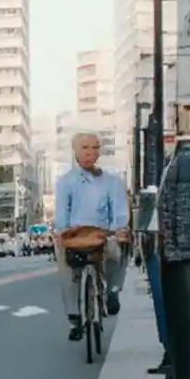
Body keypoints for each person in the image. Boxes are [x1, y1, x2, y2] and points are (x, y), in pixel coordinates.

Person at [53, 131, 128, 341]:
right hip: (75, 235)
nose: (90, 152)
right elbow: (62, 214)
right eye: (85, 148)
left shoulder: (112, 181)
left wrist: (118, 229)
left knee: (116, 250)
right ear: (75, 151)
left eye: (95, 148)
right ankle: (74, 317)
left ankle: (112, 291)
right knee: (65, 267)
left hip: (102, 235)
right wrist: (63, 232)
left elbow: (119, 212)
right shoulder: (65, 182)